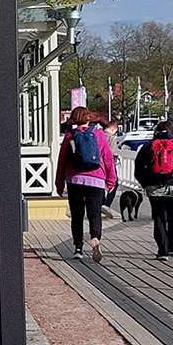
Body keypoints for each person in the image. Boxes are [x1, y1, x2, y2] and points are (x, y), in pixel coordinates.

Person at [55, 107, 116, 261]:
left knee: (77, 215)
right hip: (96, 180)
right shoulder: (99, 135)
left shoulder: (70, 136)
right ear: (88, 118)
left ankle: (78, 248)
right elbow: (108, 159)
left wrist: (59, 183)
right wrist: (111, 181)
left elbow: (62, 161)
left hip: (74, 179)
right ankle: (95, 238)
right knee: (94, 213)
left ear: (74, 119)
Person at [134, 120, 173, 259]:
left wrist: (145, 184)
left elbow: (138, 168)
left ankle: (163, 251)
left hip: (154, 186)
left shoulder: (148, 146)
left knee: (159, 217)